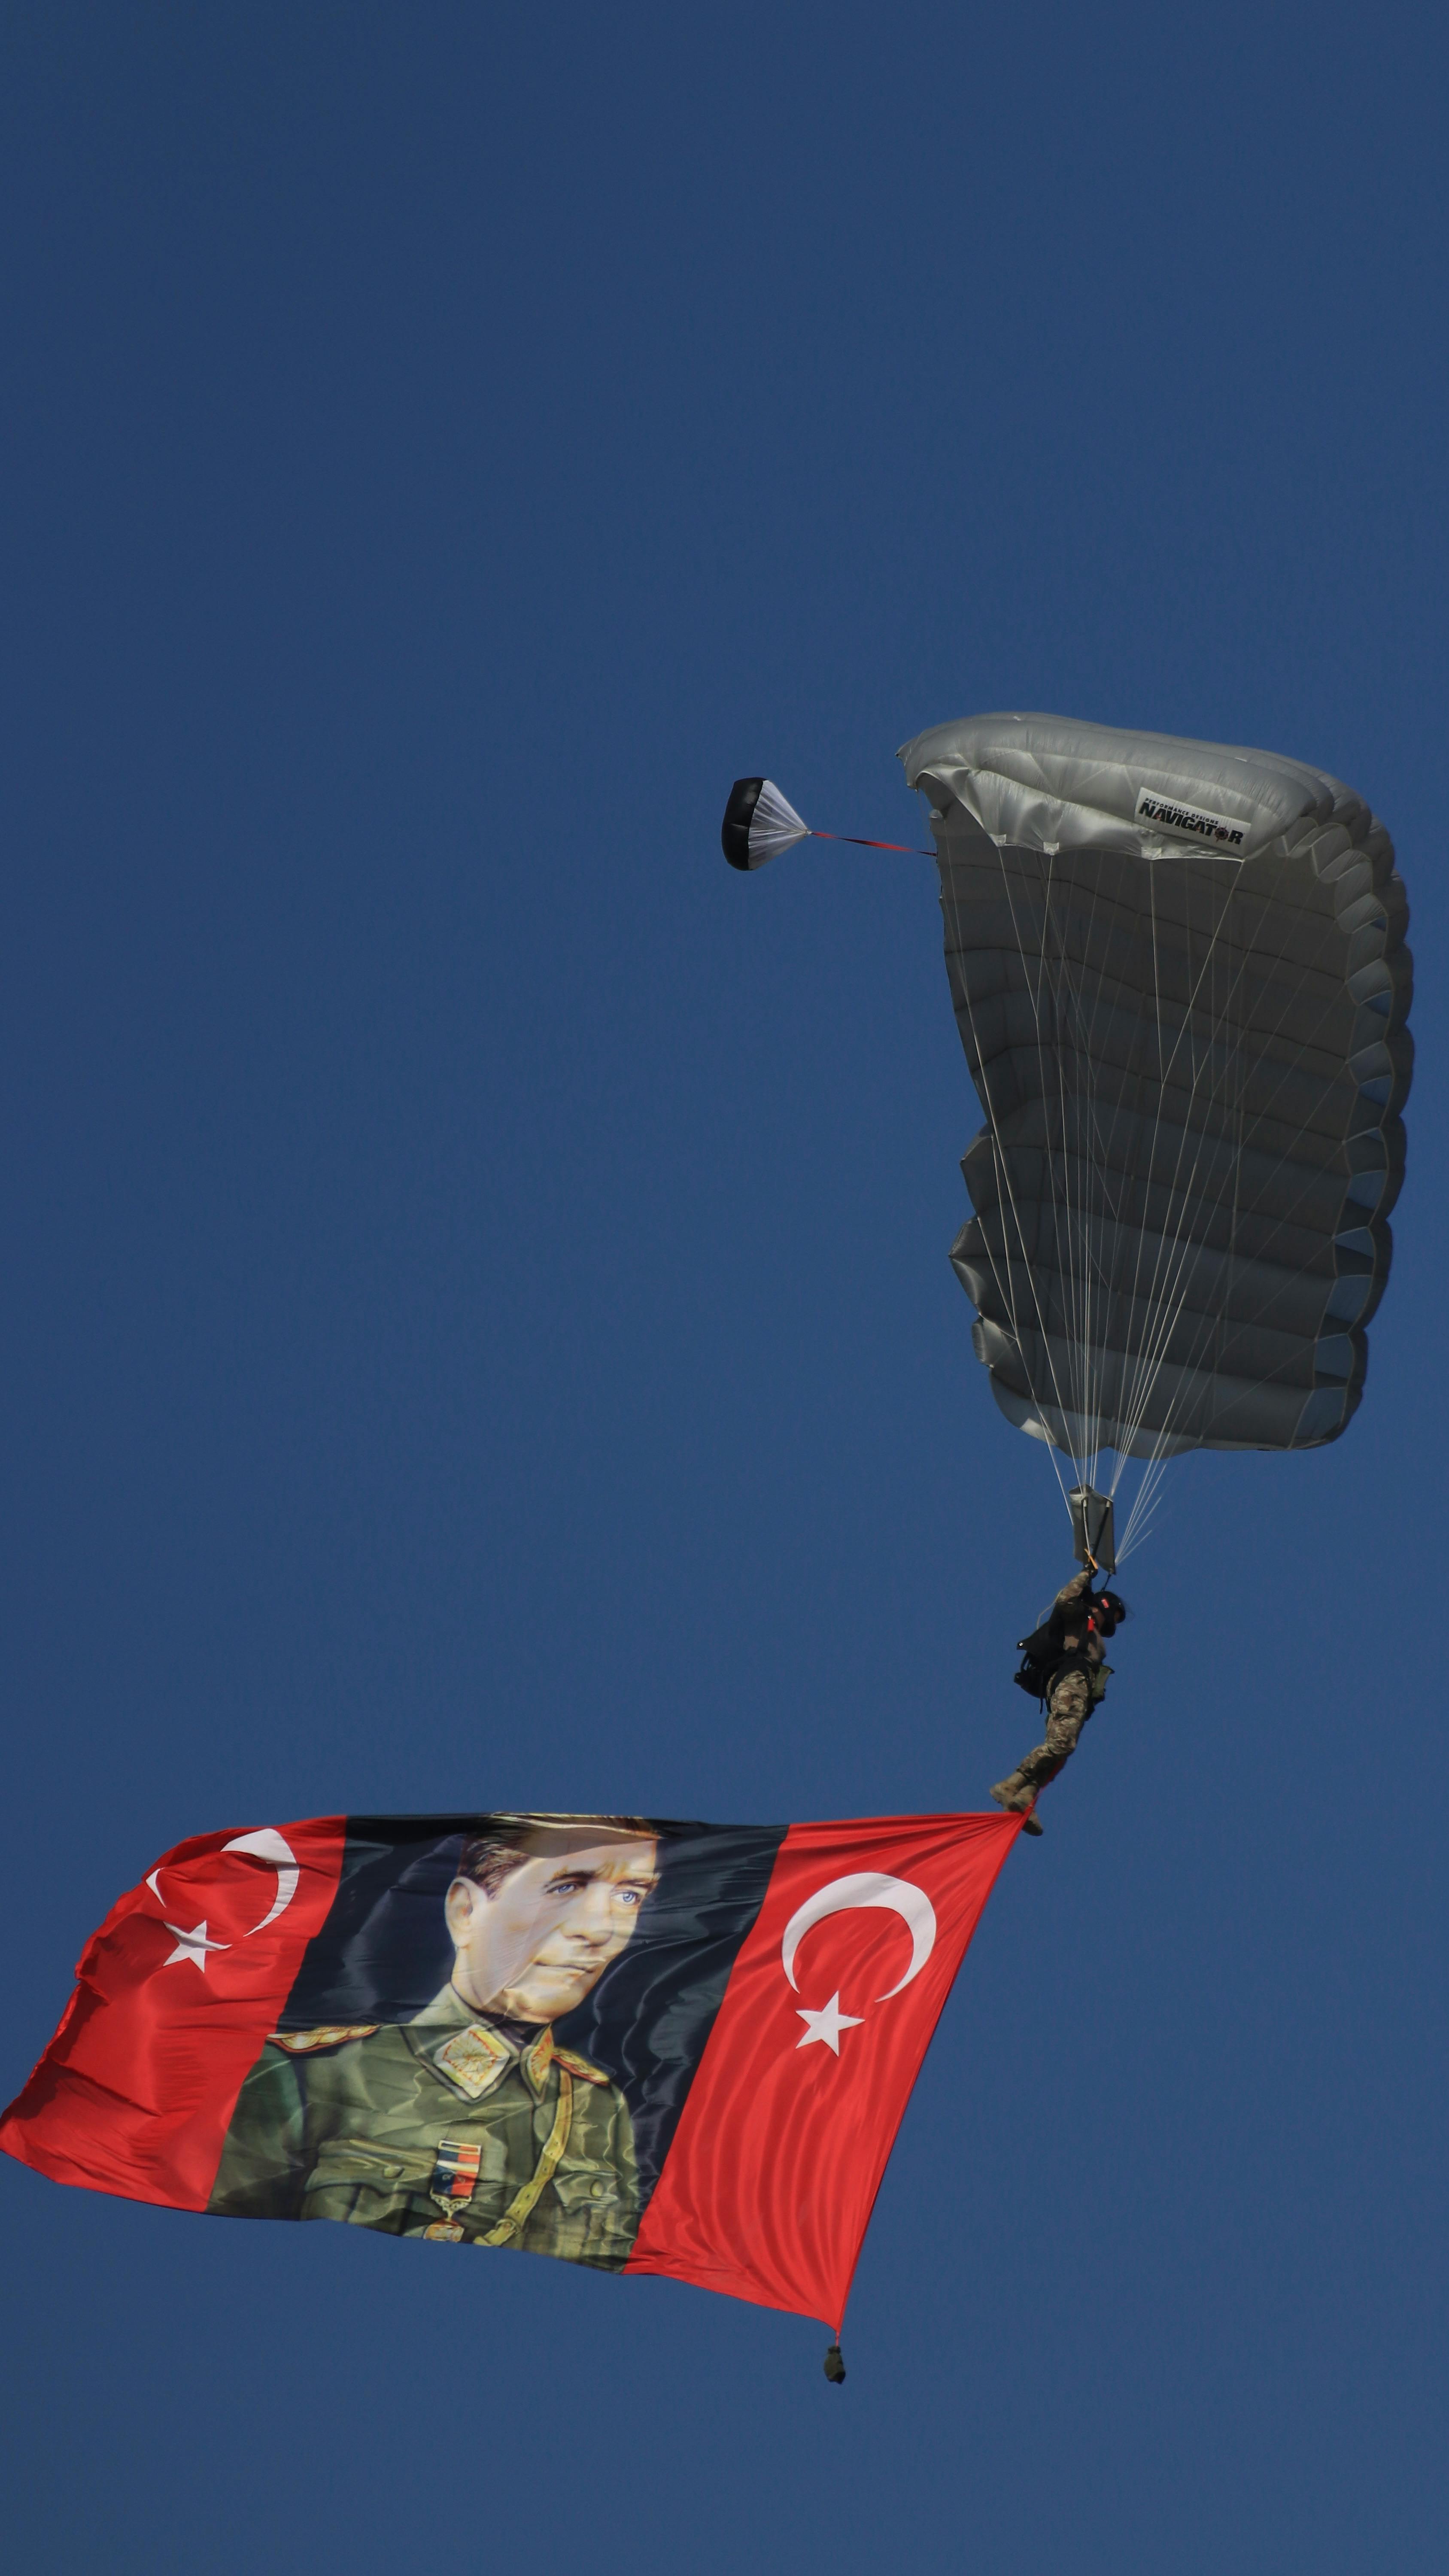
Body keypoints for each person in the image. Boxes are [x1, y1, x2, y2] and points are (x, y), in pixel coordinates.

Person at [209, 1815, 660, 2268]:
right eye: (566, 1887)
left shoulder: (595, 2107)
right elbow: (231, 2260)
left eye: (629, 1896)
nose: (601, 1931)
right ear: (466, 1912)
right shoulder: (310, 2074)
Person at [990, 1563, 1127, 1833]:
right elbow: (1065, 1600)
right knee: (1062, 1743)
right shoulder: (1080, 1616)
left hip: (1078, 1690)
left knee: (1059, 1754)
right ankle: (1013, 1783)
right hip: (1071, 1681)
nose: (1115, 1623)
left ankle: (1024, 1797)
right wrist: (1087, 1574)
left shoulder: (1091, 1630)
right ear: (1106, 1607)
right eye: (1116, 1616)